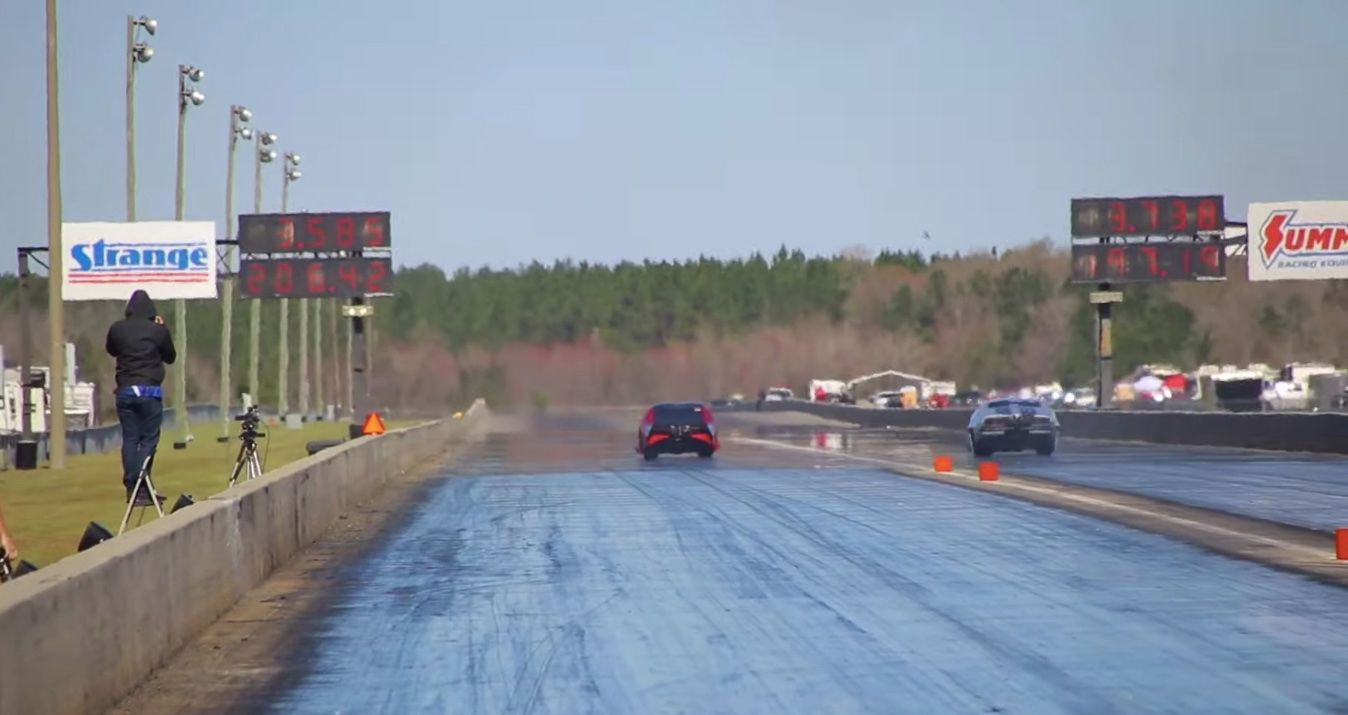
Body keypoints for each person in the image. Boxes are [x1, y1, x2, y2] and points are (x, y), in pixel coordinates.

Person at [105, 289, 176, 505]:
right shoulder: (157, 330)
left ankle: (132, 487)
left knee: (130, 438)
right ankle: (140, 486)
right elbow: (170, 357)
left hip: (125, 391)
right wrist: (162, 328)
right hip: (149, 392)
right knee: (148, 439)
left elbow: (111, 350)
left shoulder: (117, 328)